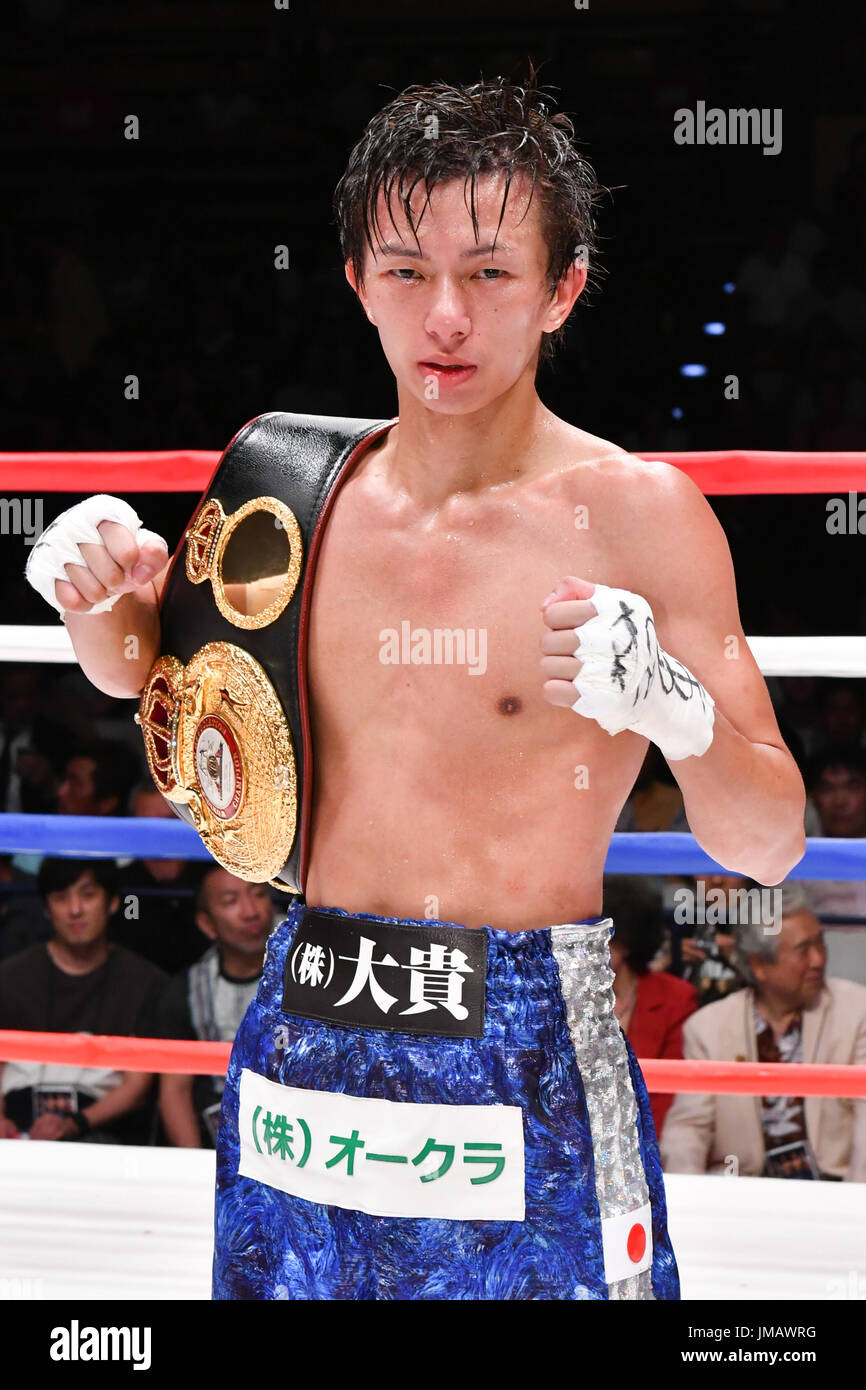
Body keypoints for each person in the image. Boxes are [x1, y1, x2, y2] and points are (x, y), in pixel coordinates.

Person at [24, 71, 806, 1300]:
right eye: (403, 271)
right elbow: (166, 706)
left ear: (562, 288)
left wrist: (670, 703)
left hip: (519, 1038)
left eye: (490, 272)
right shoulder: (283, 485)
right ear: (354, 282)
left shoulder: (639, 518)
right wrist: (94, 608)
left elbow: (764, 841)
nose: (444, 314)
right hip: (305, 1016)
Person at [661, 883, 866, 1181]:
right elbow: (689, 1128)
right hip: (744, 1190)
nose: (818, 959)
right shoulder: (708, 1028)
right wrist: (688, 1201)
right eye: (803, 950)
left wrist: (857, 1205)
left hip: (832, 1188)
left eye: (820, 943)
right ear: (759, 966)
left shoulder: (857, 1010)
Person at [0, 858, 166, 1143]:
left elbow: (137, 1086)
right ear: (46, 909)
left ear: (113, 903)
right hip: (15, 1118)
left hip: (100, 1125)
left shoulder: (144, 980)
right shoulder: (10, 975)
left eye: (88, 895)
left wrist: (77, 1123)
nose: (75, 910)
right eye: (61, 898)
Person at [156, 865, 275, 1148]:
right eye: (230, 901)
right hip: (222, 1136)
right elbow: (175, 1091)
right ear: (207, 924)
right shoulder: (188, 989)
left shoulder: (307, 961)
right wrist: (195, 1168)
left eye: (258, 894)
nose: (250, 911)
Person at [603, 876, 698, 1138]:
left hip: (648, 1148)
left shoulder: (676, 999)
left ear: (623, 945)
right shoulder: (563, 996)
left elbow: (671, 1102)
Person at [111, 782, 210, 975]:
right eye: (149, 828)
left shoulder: (216, 880)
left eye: (170, 824)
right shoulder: (122, 888)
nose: (161, 839)